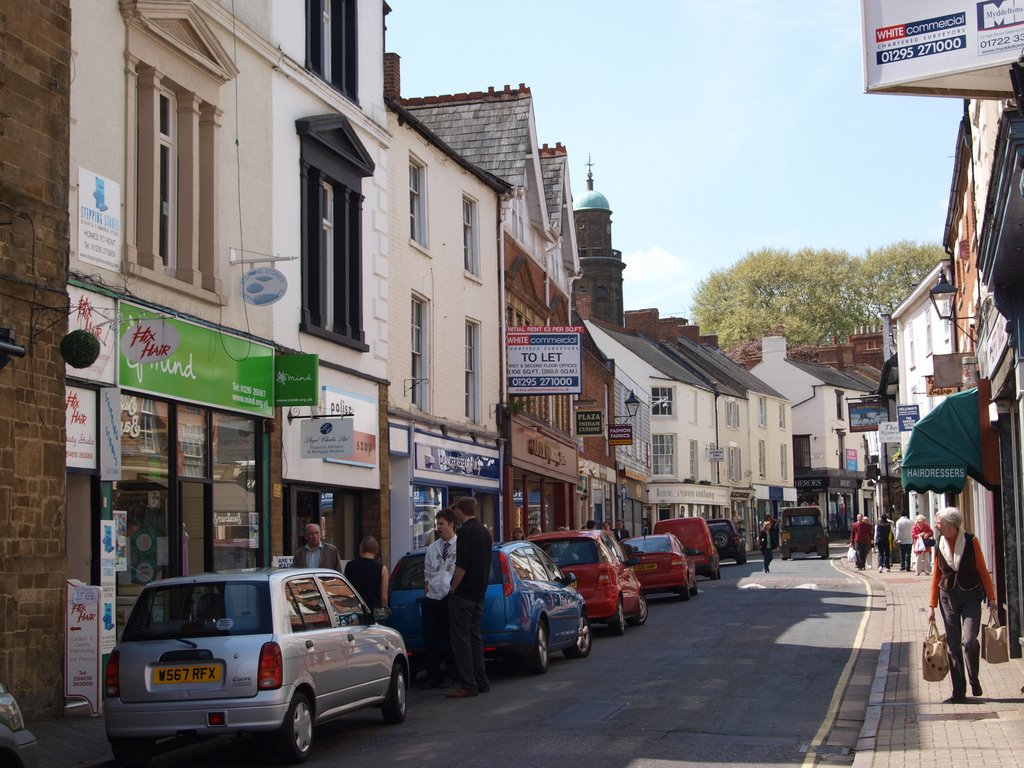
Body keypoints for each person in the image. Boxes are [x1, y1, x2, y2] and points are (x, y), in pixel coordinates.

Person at [927, 507, 998, 703]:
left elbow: (982, 570)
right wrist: (931, 605)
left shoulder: (970, 540)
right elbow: (936, 575)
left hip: (971, 596)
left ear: (951, 525)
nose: (936, 525)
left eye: (939, 522)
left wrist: (992, 598)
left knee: (969, 641)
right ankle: (959, 692)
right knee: (953, 645)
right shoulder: (938, 543)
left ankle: (974, 679)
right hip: (947, 597)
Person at [446, 497, 492, 698]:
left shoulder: (464, 532)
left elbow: (462, 565)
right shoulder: (484, 532)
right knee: (475, 637)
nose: (454, 512)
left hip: (464, 594)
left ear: (460, 511)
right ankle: (482, 681)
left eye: (456, 509)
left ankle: (468, 684)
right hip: (479, 593)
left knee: (461, 639)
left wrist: (452, 588)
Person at [421, 508, 458, 689]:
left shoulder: (460, 546)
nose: (439, 528)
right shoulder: (432, 548)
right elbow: (427, 575)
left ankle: (453, 674)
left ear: (451, 524)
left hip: (451, 598)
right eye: (437, 524)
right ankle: (434, 675)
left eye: (441, 524)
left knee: (453, 639)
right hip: (433, 599)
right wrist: (427, 593)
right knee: (431, 640)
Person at [344, 535, 389, 610]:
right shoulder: (382, 569)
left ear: (361, 547)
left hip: (354, 612)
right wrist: (383, 613)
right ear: (376, 551)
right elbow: (384, 598)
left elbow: (345, 591)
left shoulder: (349, 565)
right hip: (373, 612)